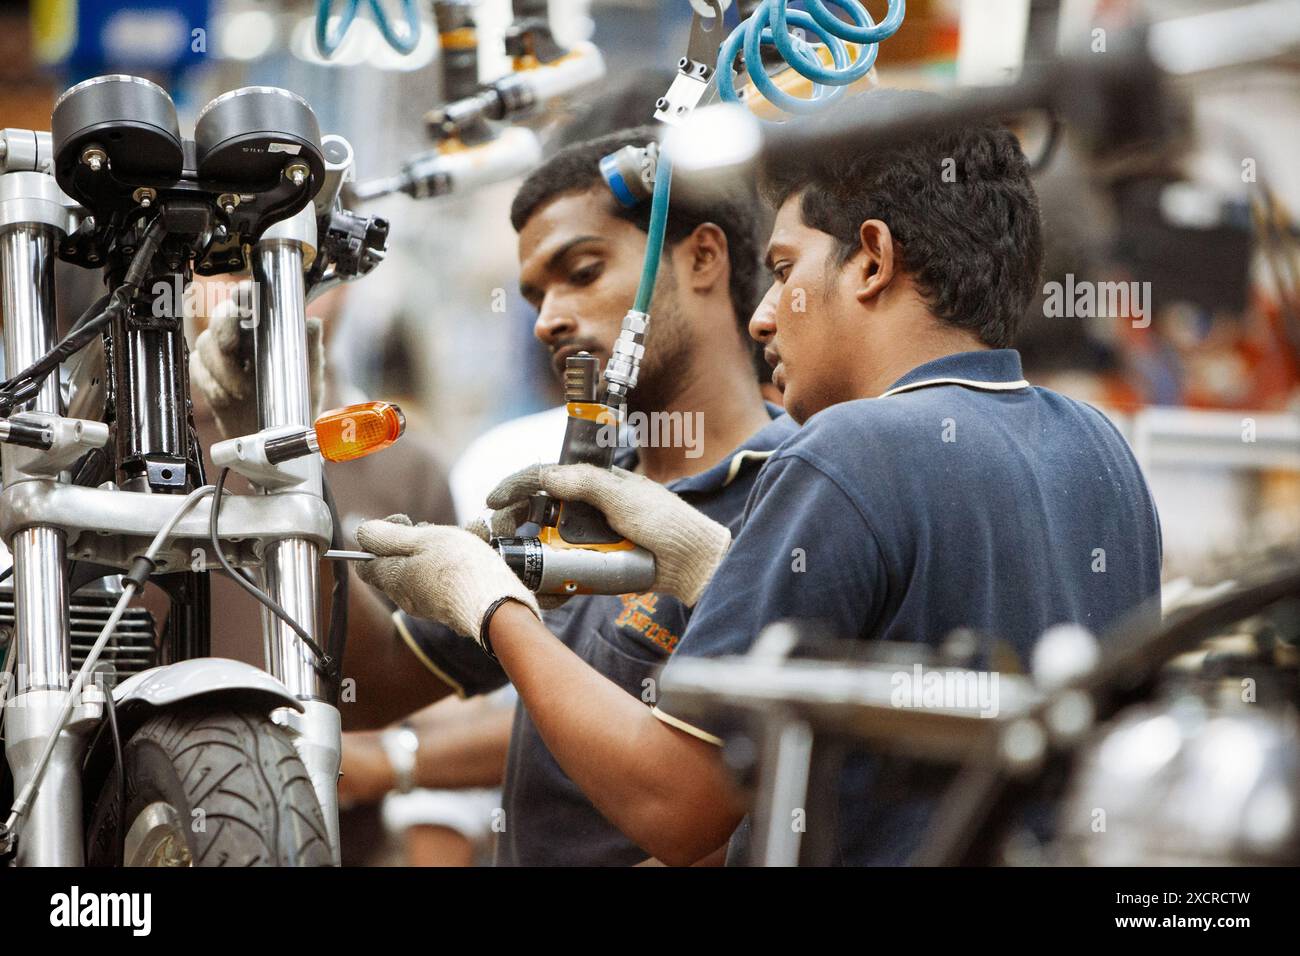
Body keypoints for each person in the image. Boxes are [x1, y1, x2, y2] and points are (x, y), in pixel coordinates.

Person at [354, 90, 1164, 865]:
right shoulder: (1103, 448)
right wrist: (719, 569)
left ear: (872, 261)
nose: (762, 313)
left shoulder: (850, 451)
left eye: (783, 269)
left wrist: (494, 609)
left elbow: (677, 807)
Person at [195, 126, 788, 864]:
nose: (547, 319)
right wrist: (284, 466)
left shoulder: (789, 491)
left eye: (583, 271)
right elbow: (364, 685)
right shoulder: (577, 496)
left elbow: (696, 818)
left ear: (702, 257)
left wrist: (497, 610)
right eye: (535, 295)